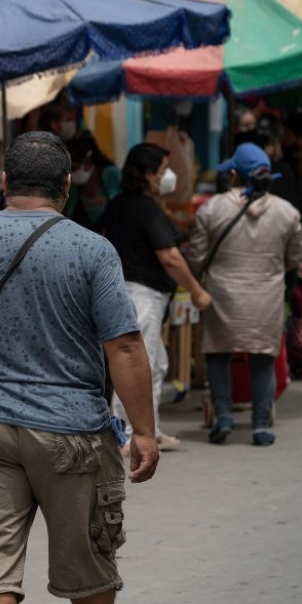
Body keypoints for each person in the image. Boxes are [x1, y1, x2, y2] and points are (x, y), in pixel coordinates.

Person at [0, 131, 159, 604]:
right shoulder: (92, 250)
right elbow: (123, 344)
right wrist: (143, 431)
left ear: (3, 182)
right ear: (66, 185)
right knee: (88, 566)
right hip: (72, 431)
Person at [186, 143, 302, 446]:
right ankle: (260, 424)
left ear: (234, 175)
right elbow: (294, 258)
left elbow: (197, 257)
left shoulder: (212, 208)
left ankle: (224, 414)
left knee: (218, 353)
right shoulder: (287, 212)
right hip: (266, 296)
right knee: (262, 358)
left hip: (221, 295)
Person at [99, 143, 211, 451]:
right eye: (162, 171)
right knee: (135, 367)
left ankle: (151, 429)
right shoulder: (147, 209)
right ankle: (126, 433)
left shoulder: (118, 204)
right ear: (148, 175)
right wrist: (198, 292)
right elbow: (170, 257)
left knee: (155, 365)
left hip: (131, 294)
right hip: (140, 296)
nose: (167, 176)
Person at [64, 131, 121, 232]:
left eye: (75, 168)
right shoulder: (72, 188)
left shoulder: (111, 175)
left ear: (88, 161)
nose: (72, 174)